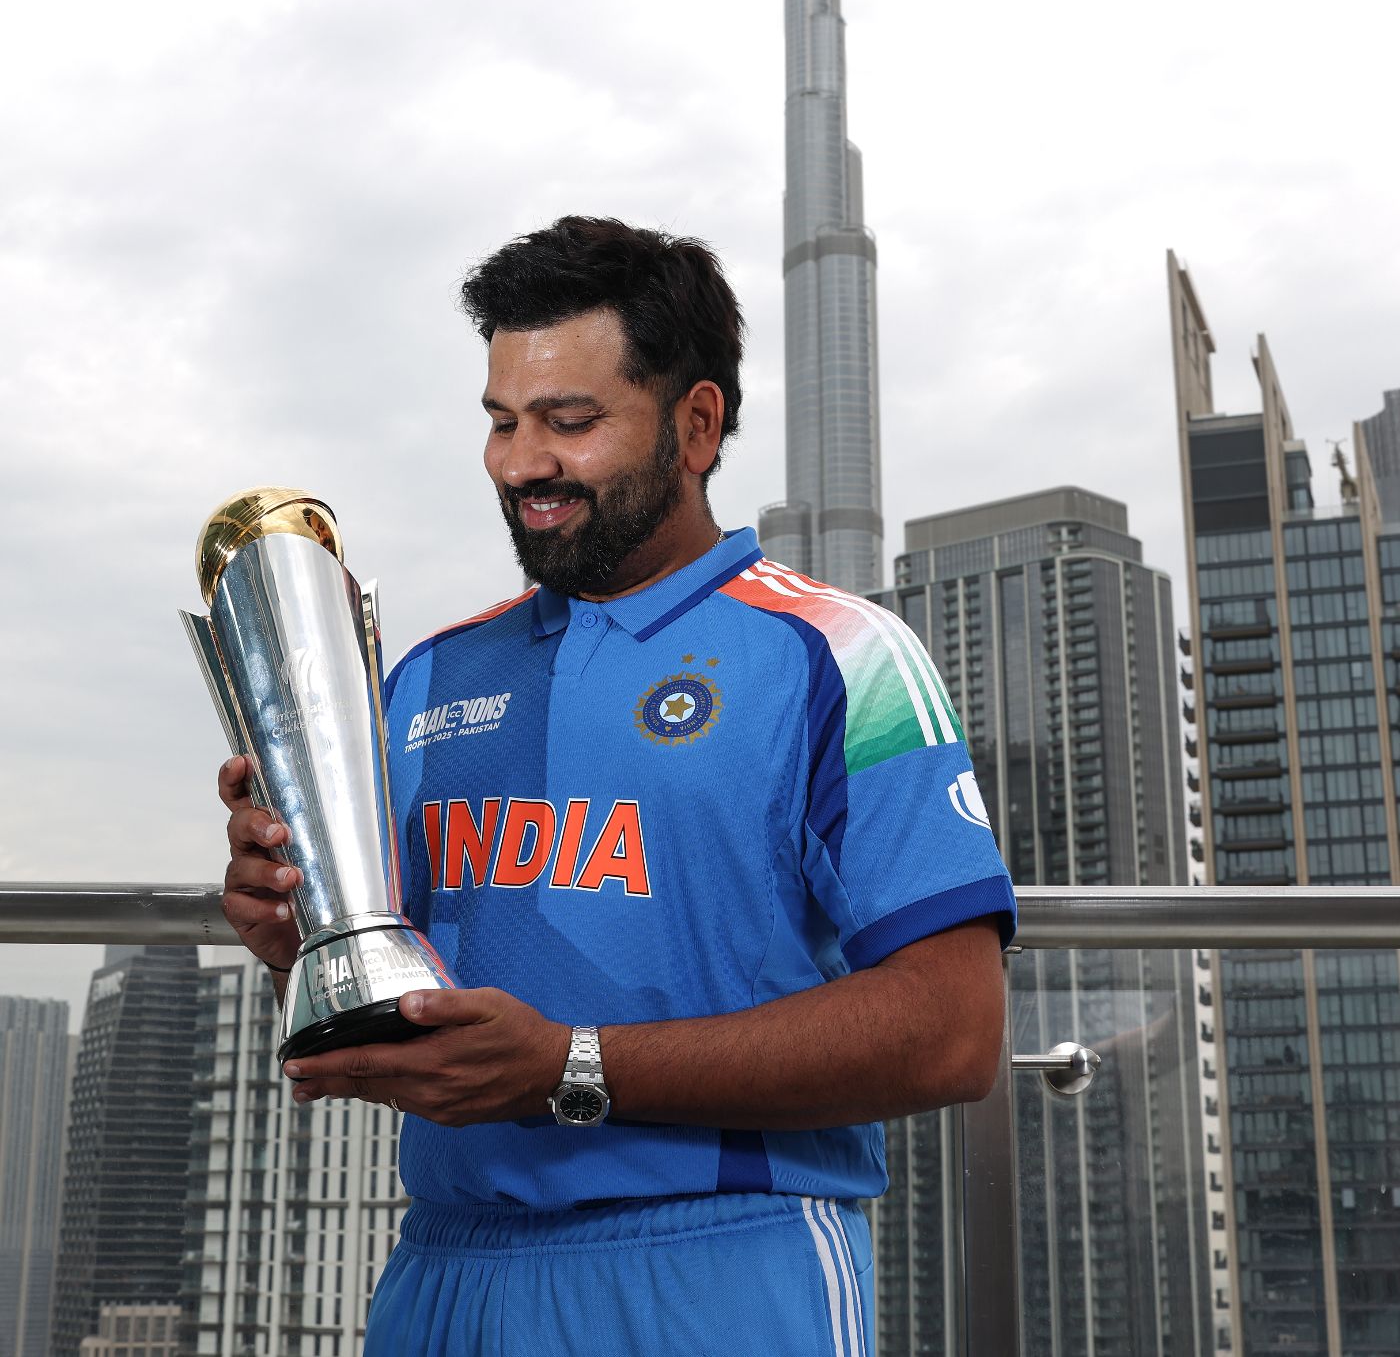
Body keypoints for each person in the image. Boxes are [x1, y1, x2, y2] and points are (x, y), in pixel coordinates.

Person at [218, 216, 1016, 1357]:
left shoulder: (840, 655)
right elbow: (401, 992)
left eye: (570, 421)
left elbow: (953, 1030)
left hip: (721, 1267)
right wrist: (293, 932)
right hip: (442, 1269)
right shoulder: (424, 676)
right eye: (502, 420)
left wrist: (568, 1067)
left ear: (696, 424)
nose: (519, 463)